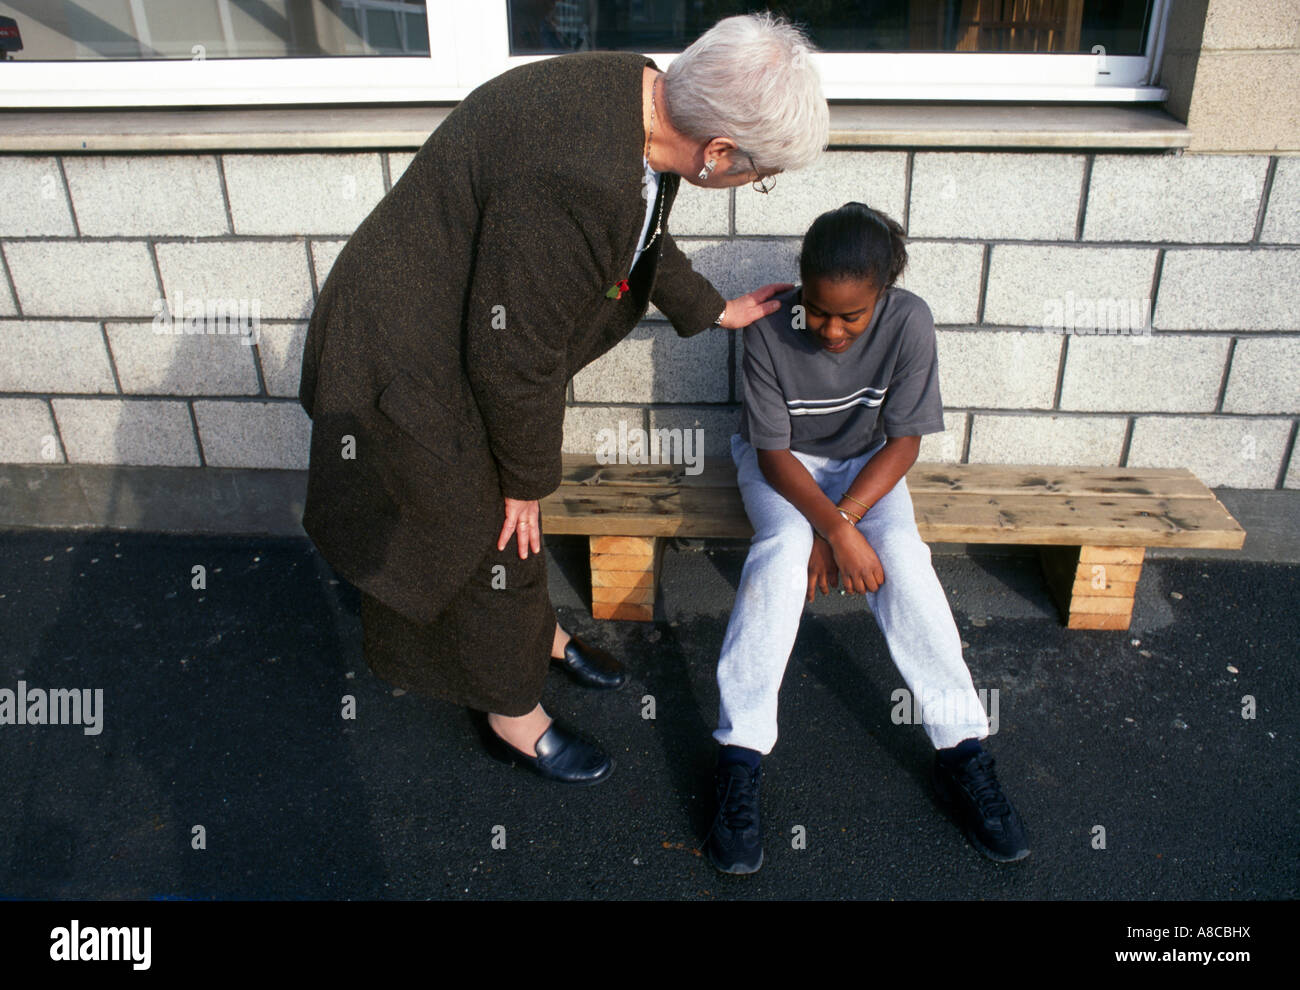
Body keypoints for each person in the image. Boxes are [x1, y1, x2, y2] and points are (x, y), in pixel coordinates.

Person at [297, 14, 829, 786]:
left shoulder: (645, 93)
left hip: (450, 321)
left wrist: (714, 309)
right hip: (404, 352)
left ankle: (532, 633)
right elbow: (513, 358)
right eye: (759, 172)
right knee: (493, 528)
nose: (753, 183)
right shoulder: (577, 175)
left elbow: (639, 234)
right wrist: (522, 481)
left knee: (507, 512)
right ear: (718, 153)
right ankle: (512, 711)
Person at [703, 202, 1030, 870]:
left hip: (867, 470)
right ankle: (740, 756)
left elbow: (904, 441)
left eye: (850, 316)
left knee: (905, 561)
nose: (829, 328)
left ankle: (963, 752)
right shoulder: (770, 330)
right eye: (819, 309)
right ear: (803, 283)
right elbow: (772, 455)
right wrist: (826, 530)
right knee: (781, 556)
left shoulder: (909, 321)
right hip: (784, 465)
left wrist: (844, 522)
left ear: (883, 293)